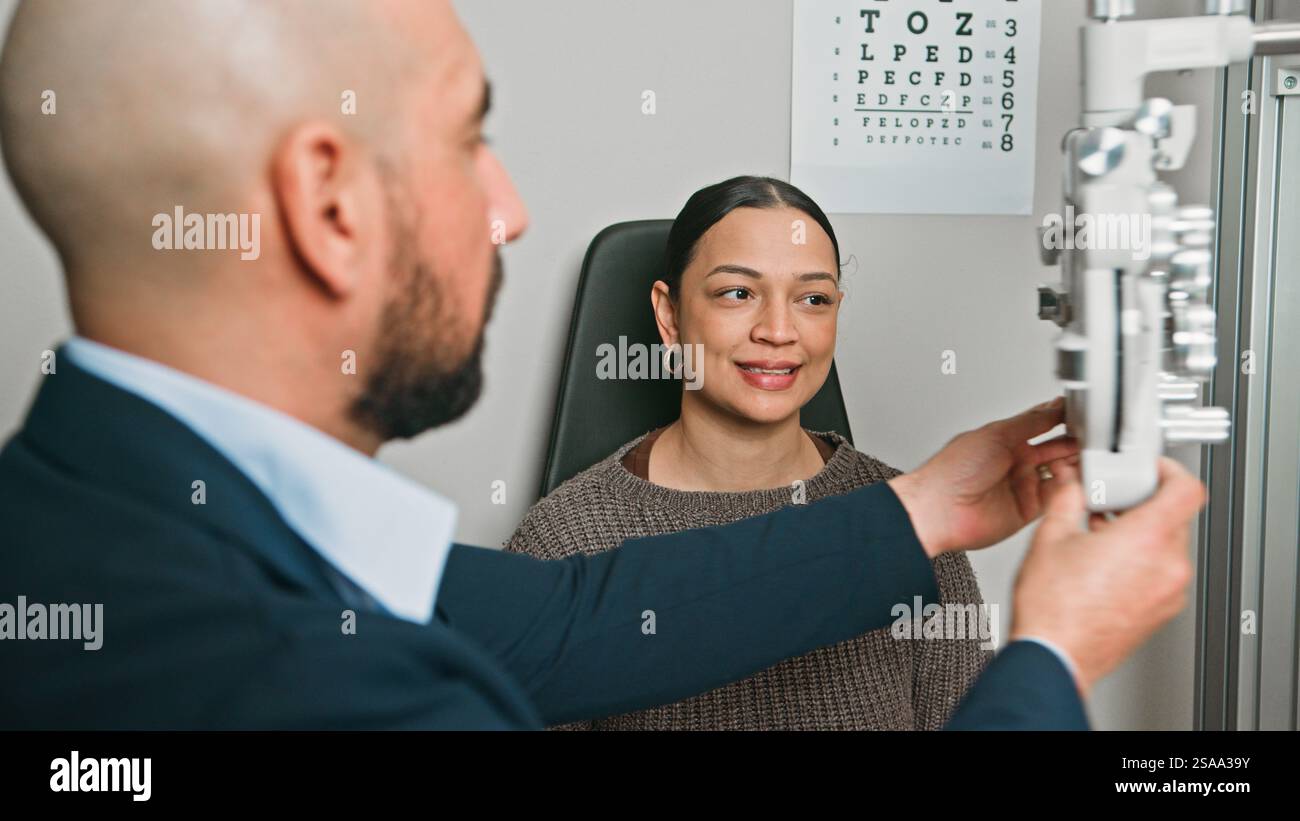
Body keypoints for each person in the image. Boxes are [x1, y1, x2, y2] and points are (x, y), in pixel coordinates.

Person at [0, 0, 1204, 730]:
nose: (510, 210)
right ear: (328, 203)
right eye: (468, 138)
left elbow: (572, 624)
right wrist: (1050, 658)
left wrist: (930, 504)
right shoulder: (301, 683)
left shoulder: (128, 522)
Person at [508, 176, 991, 730]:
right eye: (737, 293)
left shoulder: (919, 531)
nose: (779, 331)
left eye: (812, 299)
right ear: (669, 316)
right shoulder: (564, 544)